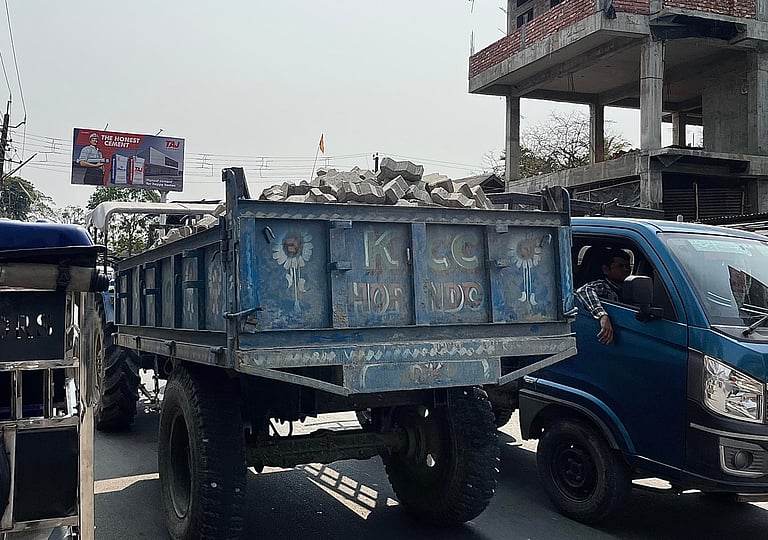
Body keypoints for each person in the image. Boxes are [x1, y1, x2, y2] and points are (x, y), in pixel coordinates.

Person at [575, 247, 631, 345]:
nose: (626, 269)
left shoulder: (632, 286)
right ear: (606, 269)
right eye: (620, 266)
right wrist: (602, 315)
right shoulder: (603, 286)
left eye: (627, 266)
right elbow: (584, 290)